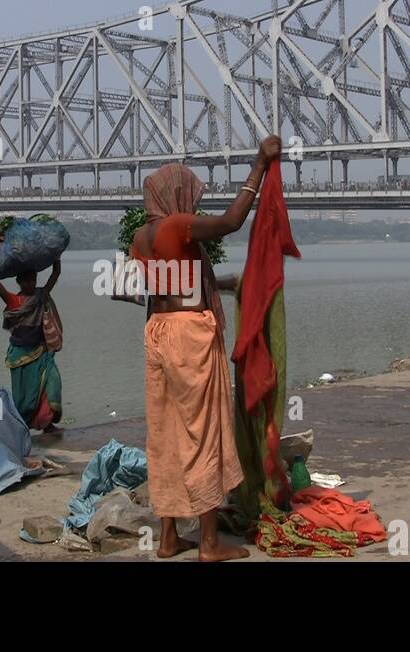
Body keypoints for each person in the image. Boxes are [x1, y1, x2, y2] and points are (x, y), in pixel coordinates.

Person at [130, 134, 281, 562]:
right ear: (177, 196)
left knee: (165, 435)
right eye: (188, 195)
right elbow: (232, 221)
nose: (191, 203)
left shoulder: (142, 237)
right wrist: (258, 165)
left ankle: (167, 539)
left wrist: (228, 284)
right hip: (187, 338)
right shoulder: (179, 225)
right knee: (202, 433)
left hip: (157, 333)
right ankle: (210, 544)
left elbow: (171, 287)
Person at [0, 238, 64, 434]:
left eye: (34, 280)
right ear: (20, 282)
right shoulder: (14, 300)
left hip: (41, 351)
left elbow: (56, 274)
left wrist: (55, 253)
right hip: (21, 355)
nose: (31, 284)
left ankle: (48, 423)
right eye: (28, 281)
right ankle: (21, 426)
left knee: (52, 383)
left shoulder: (40, 295)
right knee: (25, 397)